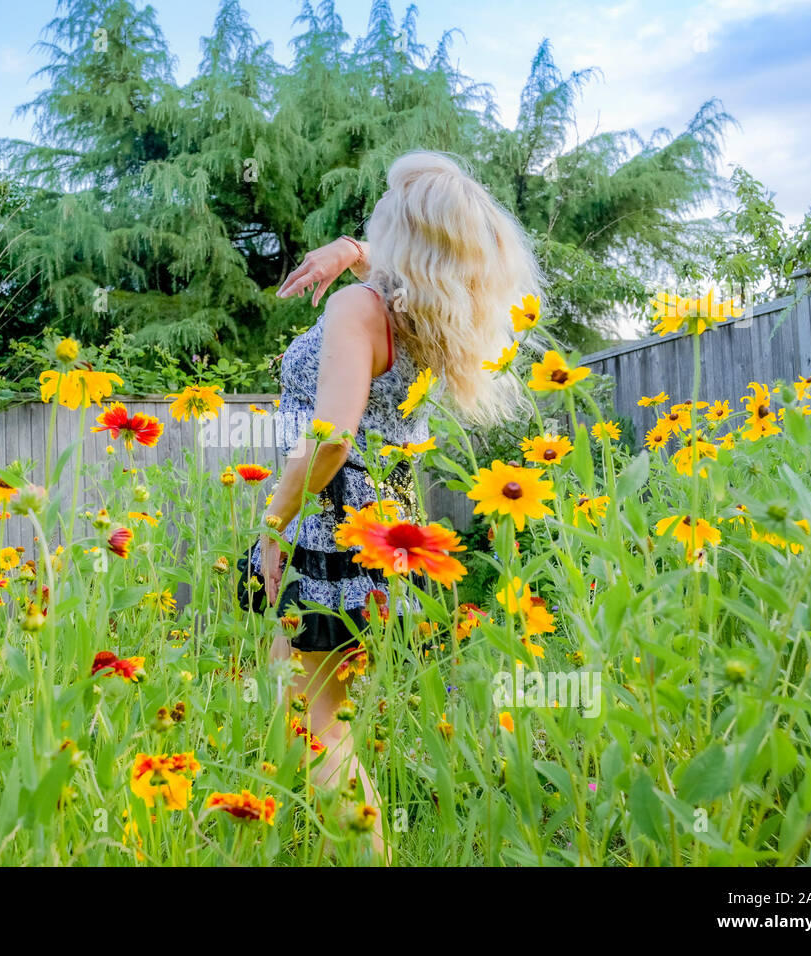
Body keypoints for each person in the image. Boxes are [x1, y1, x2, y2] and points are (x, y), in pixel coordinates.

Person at [252, 150, 542, 861]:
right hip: (386, 530)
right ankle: (322, 846)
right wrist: (349, 251)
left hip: (327, 521)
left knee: (311, 718)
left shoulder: (361, 308)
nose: (375, 214)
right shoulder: (419, 318)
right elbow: (382, 280)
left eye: (387, 206)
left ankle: (364, 855)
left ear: (403, 231)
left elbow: (329, 439)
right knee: (317, 710)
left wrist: (271, 525)